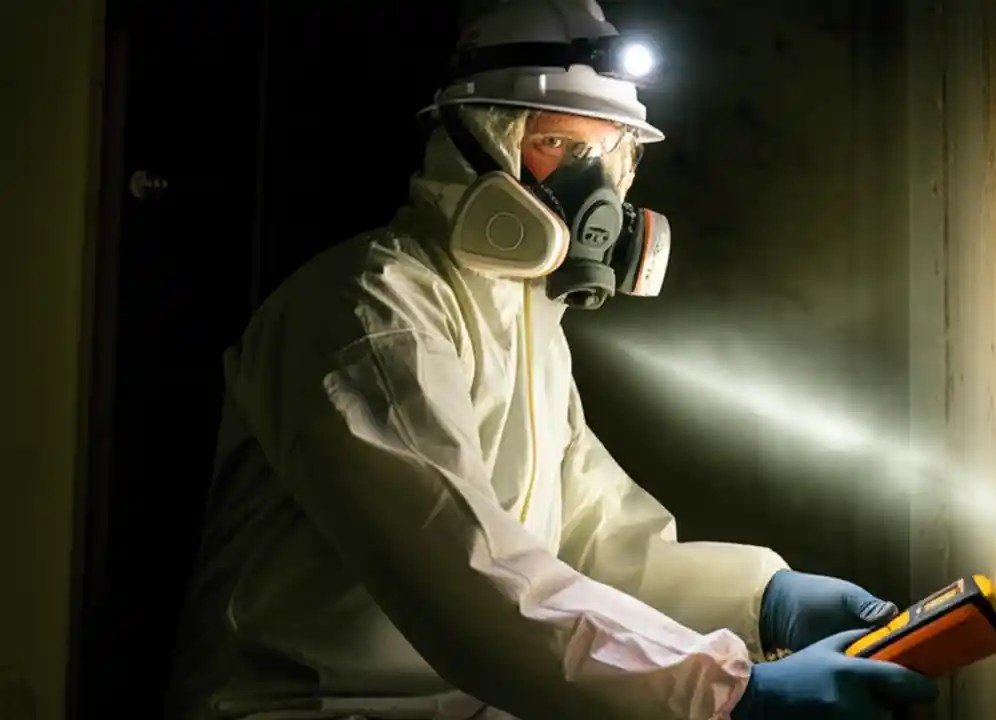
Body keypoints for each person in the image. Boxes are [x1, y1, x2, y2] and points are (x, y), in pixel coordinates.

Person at [167, 1, 939, 718]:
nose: (591, 189)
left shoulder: (523, 318)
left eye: (606, 154)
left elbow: (587, 538)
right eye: (559, 146)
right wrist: (730, 694)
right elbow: (465, 578)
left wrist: (762, 600)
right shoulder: (373, 310)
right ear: (475, 145)